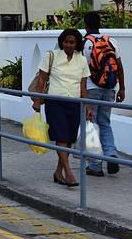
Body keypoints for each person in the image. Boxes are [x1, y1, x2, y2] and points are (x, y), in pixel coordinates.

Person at [30, 28, 89, 187]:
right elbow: (42, 80)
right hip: (55, 102)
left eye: (72, 42)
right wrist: (37, 100)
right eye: (66, 42)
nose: (69, 45)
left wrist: (87, 105)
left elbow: (83, 85)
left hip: (75, 103)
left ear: (77, 44)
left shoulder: (82, 60)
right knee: (61, 137)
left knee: (69, 138)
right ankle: (68, 172)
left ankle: (58, 172)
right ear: (61, 42)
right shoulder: (51, 56)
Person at [82, 11, 125, 176]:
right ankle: (111, 154)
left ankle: (95, 165)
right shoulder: (111, 41)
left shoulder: (85, 43)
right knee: (105, 122)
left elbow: (82, 71)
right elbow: (119, 66)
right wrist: (122, 88)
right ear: (99, 23)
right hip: (109, 88)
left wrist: (82, 93)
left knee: (91, 125)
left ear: (86, 24)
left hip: (91, 88)